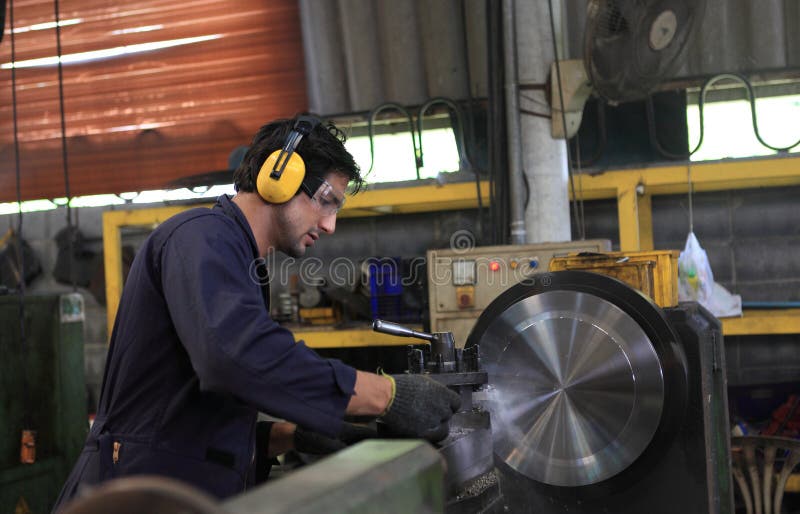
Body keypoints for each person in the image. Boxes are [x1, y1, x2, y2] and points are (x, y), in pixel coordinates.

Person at [52, 116, 461, 511]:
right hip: (135, 497)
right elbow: (234, 357)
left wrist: (292, 435)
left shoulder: (236, 258)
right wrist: (385, 395)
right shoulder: (201, 236)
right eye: (326, 202)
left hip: (168, 487)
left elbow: (193, 413)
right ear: (279, 177)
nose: (331, 224)